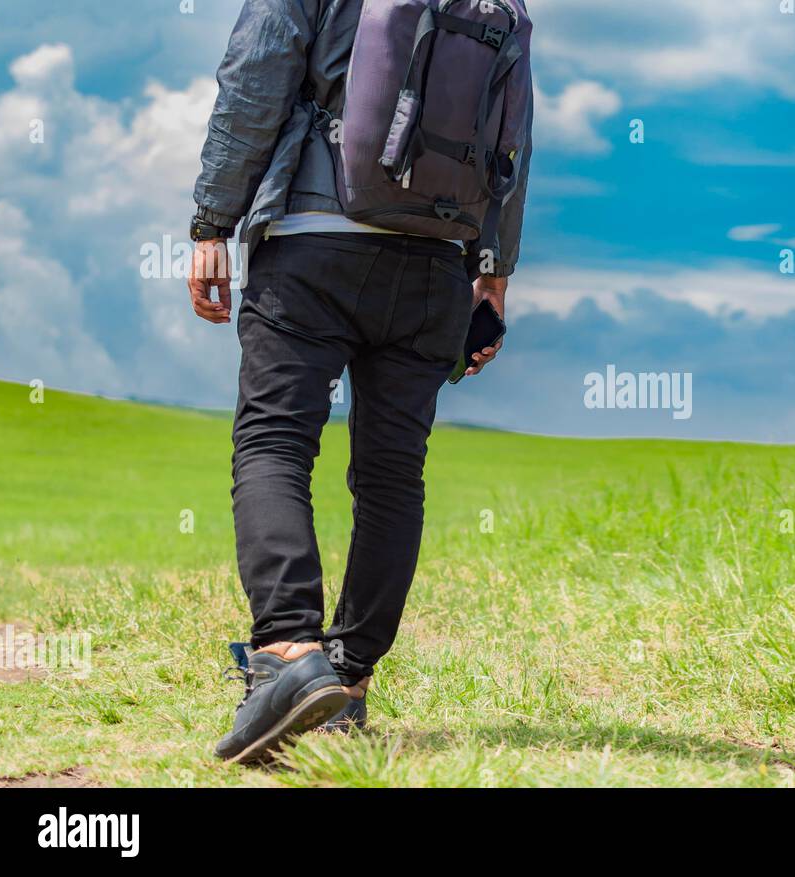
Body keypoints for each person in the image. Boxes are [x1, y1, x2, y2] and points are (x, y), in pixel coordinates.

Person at [186, 0, 531, 764]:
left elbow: (256, 79)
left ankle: (284, 652)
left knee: (274, 443)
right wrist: (493, 272)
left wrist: (212, 219)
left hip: (313, 244)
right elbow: (514, 133)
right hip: (438, 258)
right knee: (390, 476)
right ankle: (347, 678)